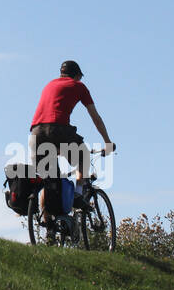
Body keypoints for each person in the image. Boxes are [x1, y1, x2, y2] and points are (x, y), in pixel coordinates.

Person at [28, 60, 114, 229]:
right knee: (84, 155)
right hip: (59, 130)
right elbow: (95, 118)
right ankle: (77, 194)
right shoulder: (78, 86)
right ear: (77, 75)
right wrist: (107, 141)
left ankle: (49, 227)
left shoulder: (49, 85)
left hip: (36, 133)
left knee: (50, 179)